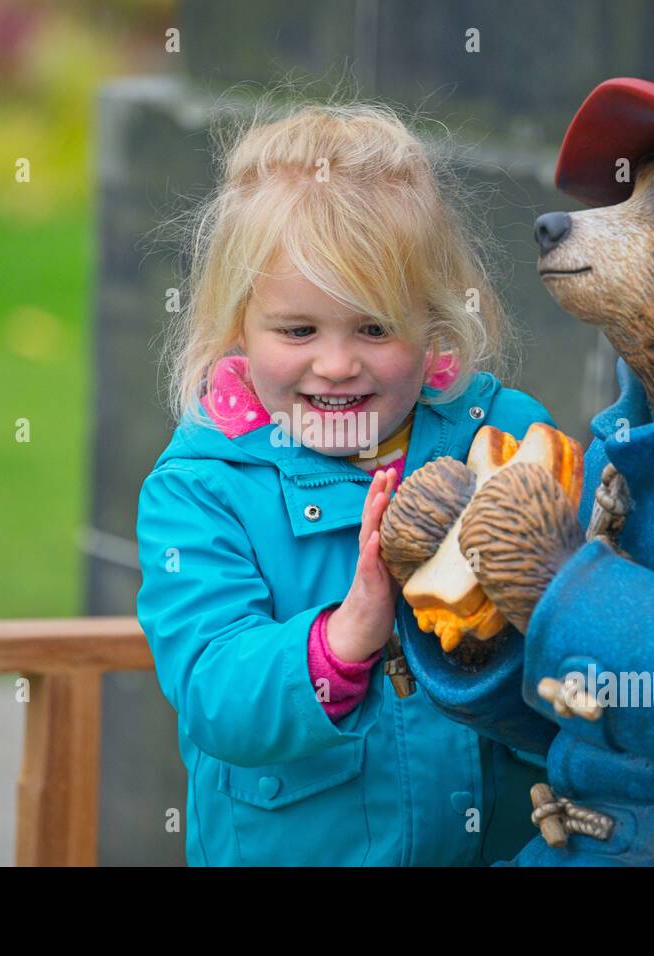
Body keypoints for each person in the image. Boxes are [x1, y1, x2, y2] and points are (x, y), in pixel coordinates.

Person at [136, 100, 557, 865]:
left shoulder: (499, 439)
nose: (336, 364)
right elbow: (214, 691)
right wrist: (343, 636)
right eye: (298, 331)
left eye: (373, 328)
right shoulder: (201, 488)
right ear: (238, 328)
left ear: (431, 324)